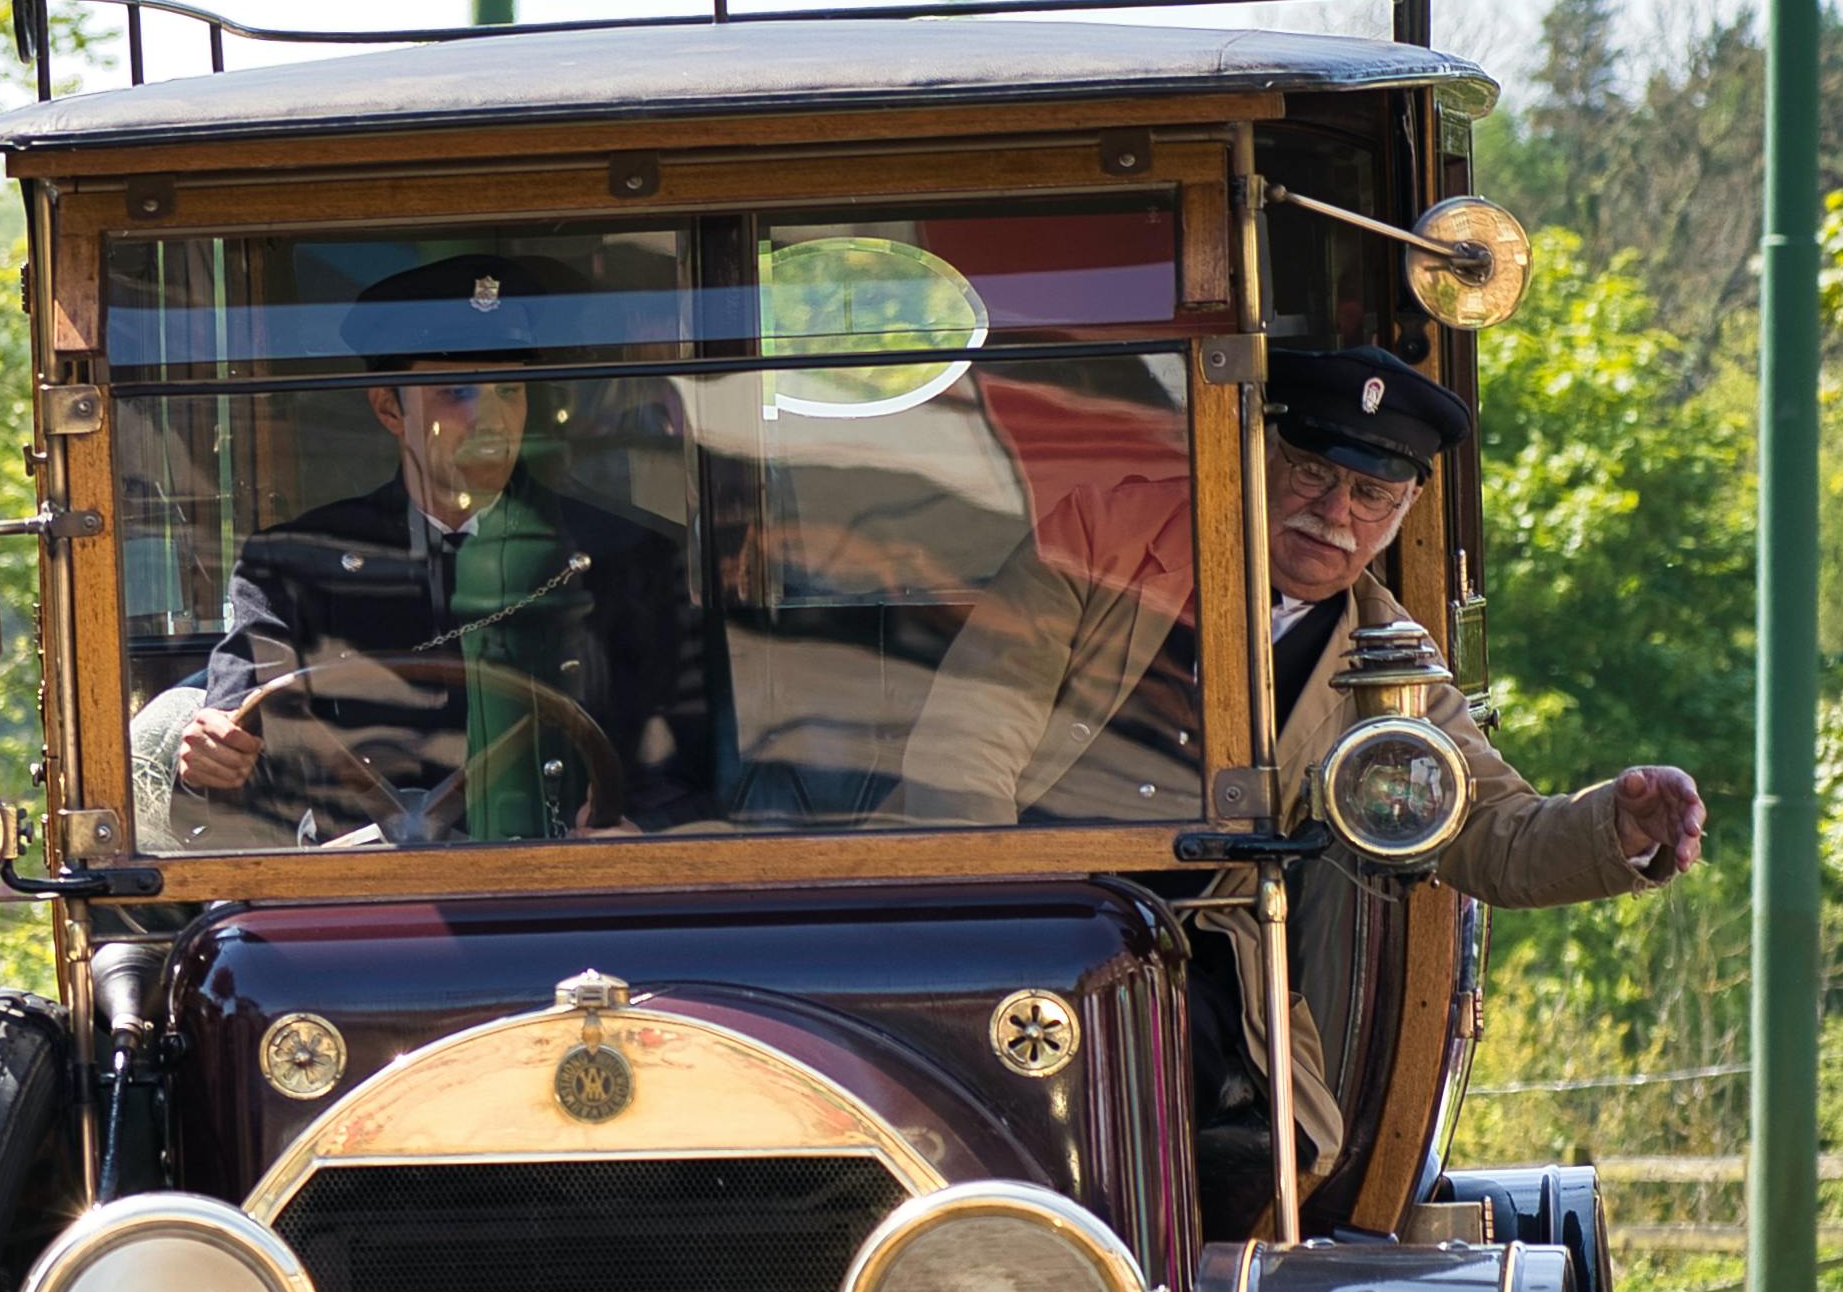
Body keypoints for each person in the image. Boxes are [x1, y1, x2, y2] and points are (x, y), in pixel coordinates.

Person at [900, 347, 1700, 1184]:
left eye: (1370, 494)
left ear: (1407, 505)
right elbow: (968, 742)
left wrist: (1614, 829)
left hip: (1187, 961)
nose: (1335, 514)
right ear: (1258, 454)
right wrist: (987, 929)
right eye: (1313, 475)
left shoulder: (1394, 668)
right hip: (1015, 918)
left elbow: (1492, 830)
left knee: (1216, 1139)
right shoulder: (1099, 538)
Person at [172, 251, 708, 843]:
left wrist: (638, 832)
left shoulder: (629, 557)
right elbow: (229, 750)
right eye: (458, 392)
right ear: (388, 409)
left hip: (569, 897)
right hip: (361, 906)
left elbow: (693, 768)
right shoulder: (292, 567)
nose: (492, 421)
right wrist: (210, 759)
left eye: (510, 391)